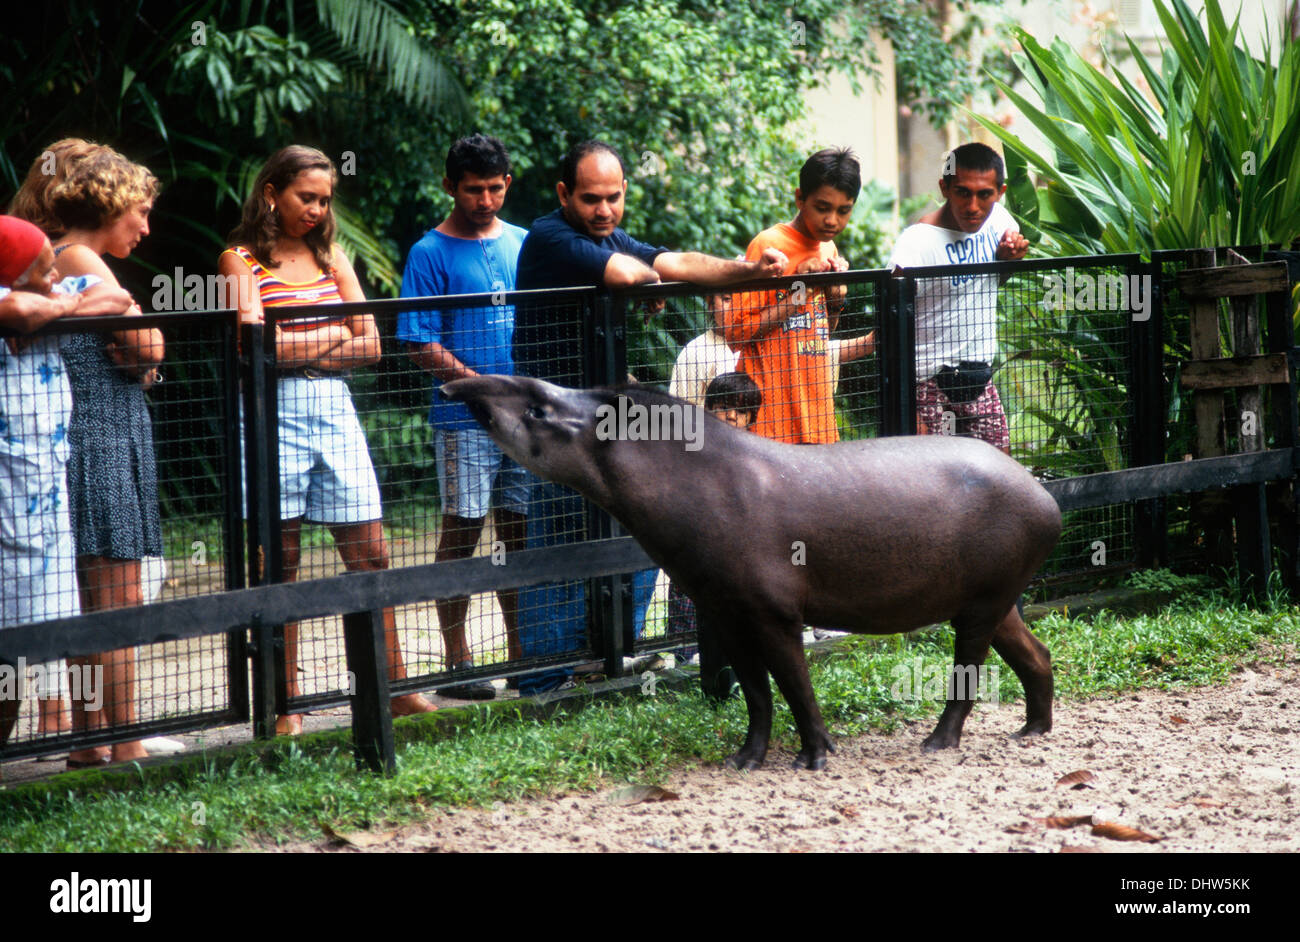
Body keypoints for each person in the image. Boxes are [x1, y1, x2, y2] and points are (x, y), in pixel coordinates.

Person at [510, 139, 787, 694]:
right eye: (591, 198)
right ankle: (545, 678)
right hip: (552, 419)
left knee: (646, 519)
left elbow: (676, 262)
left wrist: (749, 271)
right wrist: (647, 284)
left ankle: (615, 650)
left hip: (607, 412)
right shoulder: (551, 236)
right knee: (559, 533)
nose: (603, 210)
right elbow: (626, 276)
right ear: (565, 194)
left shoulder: (611, 236)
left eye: (613, 198)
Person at [219, 145, 435, 733]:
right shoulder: (238, 260)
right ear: (272, 193)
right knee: (277, 558)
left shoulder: (331, 255)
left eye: (323, 200)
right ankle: (282, 701)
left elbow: (372, 344)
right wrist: (330, 336)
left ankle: (390, 685)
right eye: (305, 198)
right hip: (270, 413)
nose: (316, 210)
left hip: (334, 408)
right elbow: (255, 347)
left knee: (371, 548)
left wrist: (298, 343)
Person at [20, 147, 169, 768]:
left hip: (96, 434)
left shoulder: (68, 258)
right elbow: (147, 346)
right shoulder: (83, 258)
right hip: (100, 439)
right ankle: (124, 741)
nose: (146, 226)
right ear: (110, 206)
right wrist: (144, 344)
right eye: (140, 211)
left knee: (96, 592)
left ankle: (92, 739)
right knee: (115, 596)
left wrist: (142, 351)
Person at [397, 135, 528, 700]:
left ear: (507, 183)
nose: (486, 200)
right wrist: (481, 390)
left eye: (495, 188)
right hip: (463, 420)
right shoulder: (428, 252)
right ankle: (458, 660)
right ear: (450, 186)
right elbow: (416, 341)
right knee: (463, 531)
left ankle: (525, 653)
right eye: (474, 190)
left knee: (520, 532)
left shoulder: (525, 243)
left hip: (526, 416)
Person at [0, 216, 135, 752]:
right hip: (5, 497)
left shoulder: (56, 292)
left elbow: (116, 298)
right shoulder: (8, 298)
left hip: (47, 499)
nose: (56, 277)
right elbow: (14, 310)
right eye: (43, 271)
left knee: (33, 647)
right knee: (6, 657)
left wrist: (54, 310)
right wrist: (46, 313)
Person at [726, 146, 876, 445]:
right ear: (799, 198)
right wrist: (801, 291)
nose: (832, 220)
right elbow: (736, 335)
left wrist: (835, 301)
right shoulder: (768, 244)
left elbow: (820, 333)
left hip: (816, 412)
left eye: (843, 210)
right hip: (768, 415)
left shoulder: (829, 249)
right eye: (822, 208)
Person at [886, 142, 1030, 453]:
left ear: (1000, 192)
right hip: (927, 383)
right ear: (945, 188)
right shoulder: (916, 244)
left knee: (998, 473)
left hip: (978, 376)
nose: (973, 205)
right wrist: (906, 396)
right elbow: (891, 316)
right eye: (963, 192)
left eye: (985, 194)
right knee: (936, 482)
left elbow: (994, 281)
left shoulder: (1001, 224)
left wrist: (1008, 261)